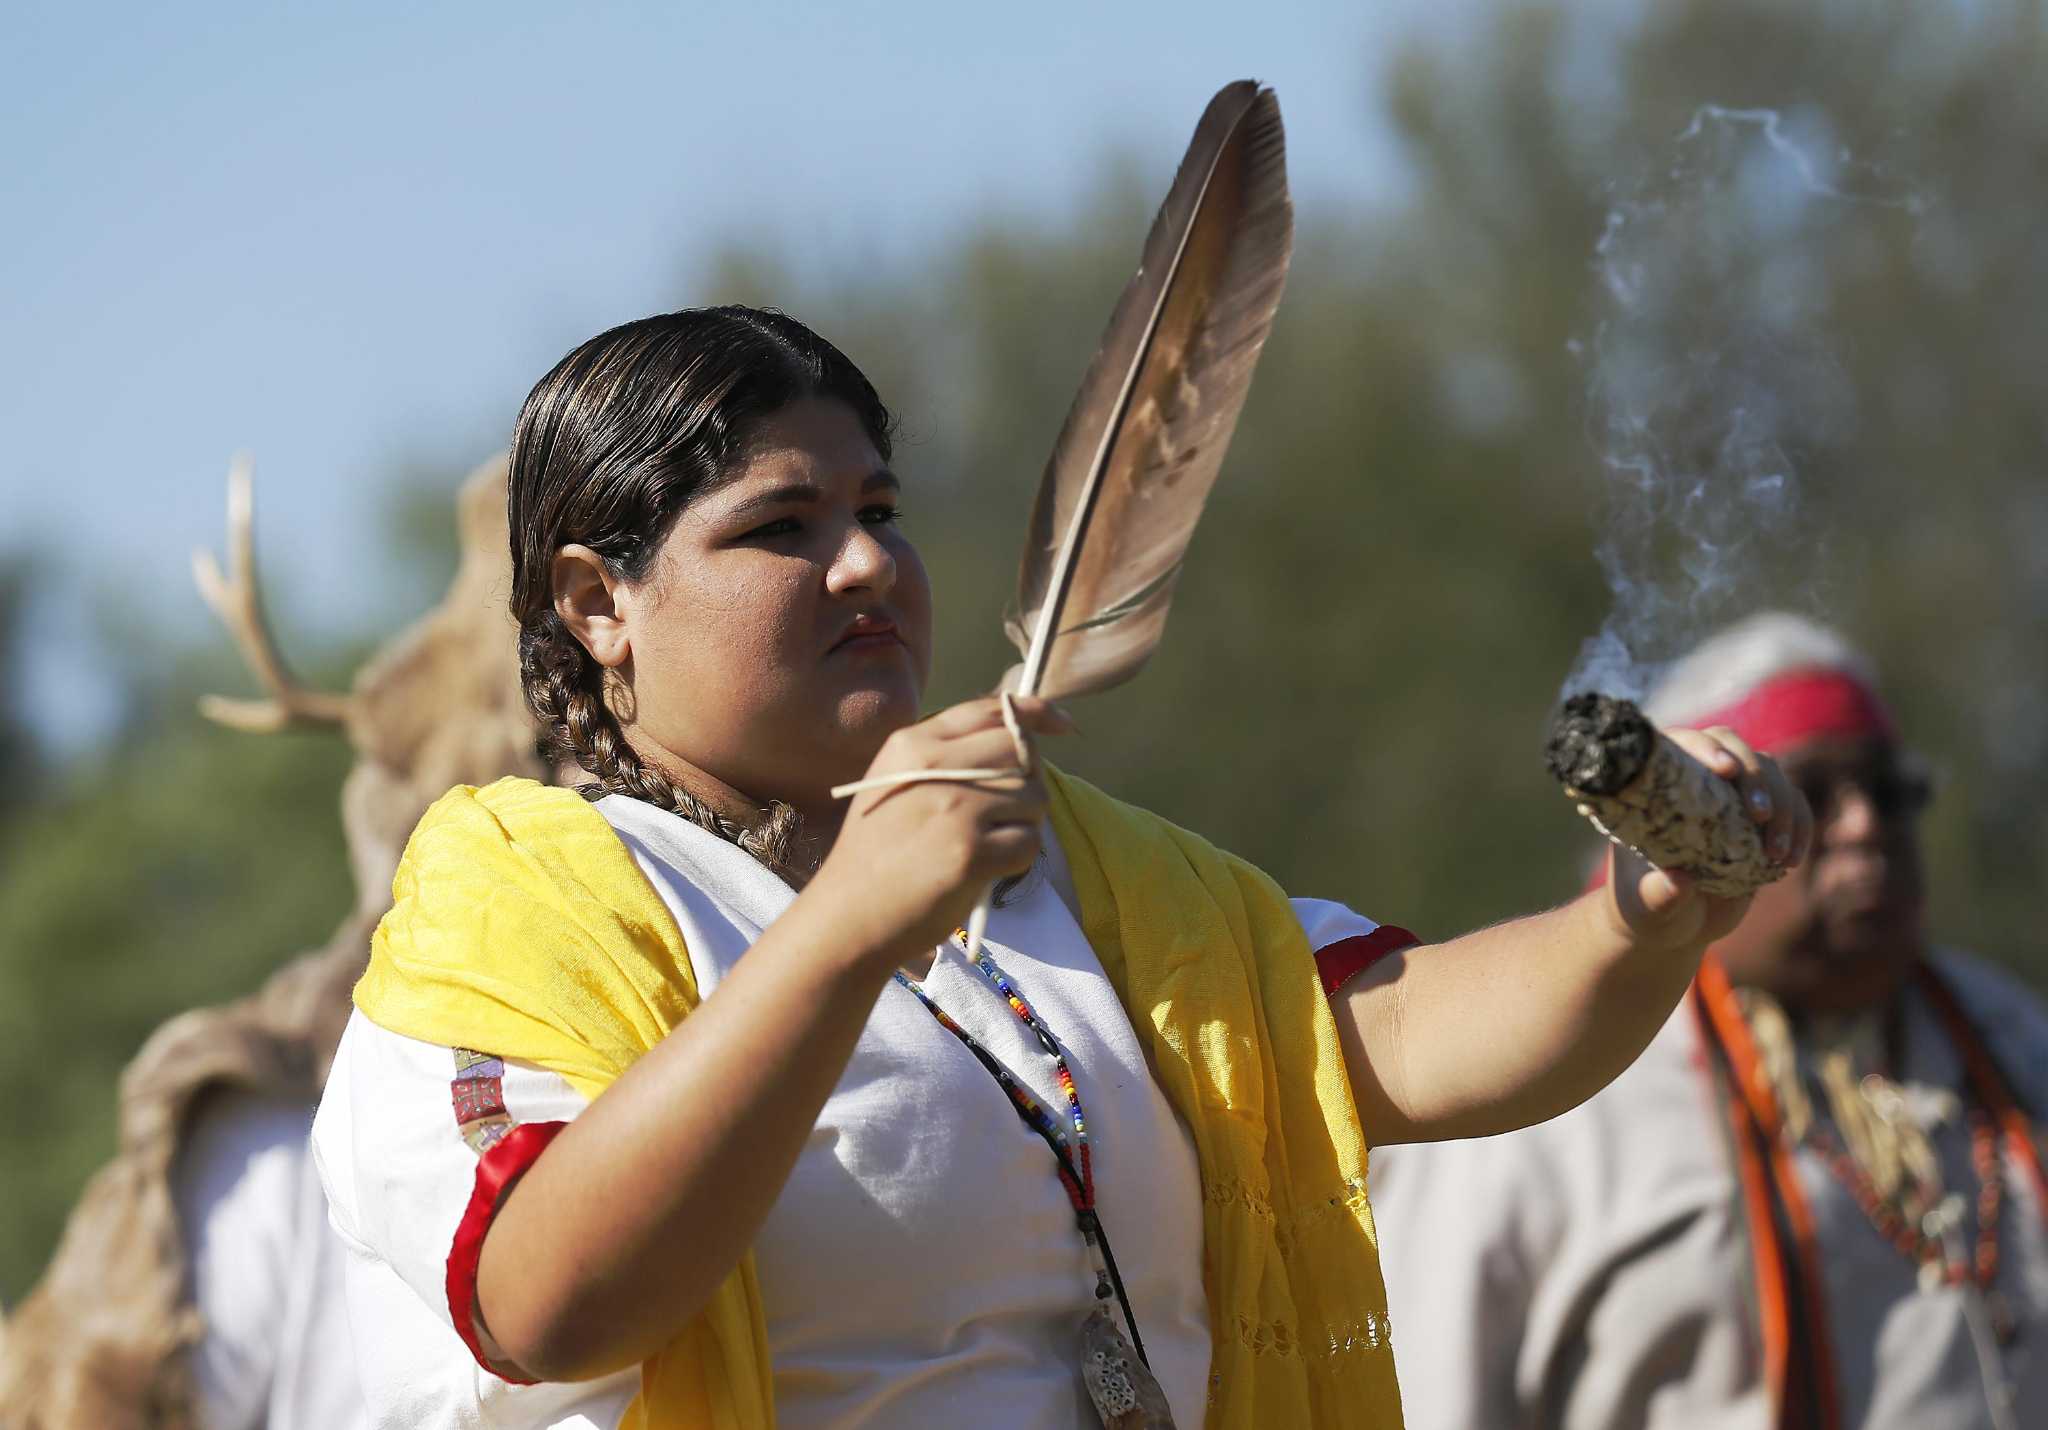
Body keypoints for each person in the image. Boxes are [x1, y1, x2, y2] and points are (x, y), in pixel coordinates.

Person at [308, 306, 1807, 1430]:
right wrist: (848, 927)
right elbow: (548, 1300)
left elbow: (1414, 1034)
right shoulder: (521, 896)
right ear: (597, 602)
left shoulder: (1072, 860)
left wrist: (1643, 914)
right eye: (783, 526)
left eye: (880, 512)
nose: (866, 563)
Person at [1369, 612, 2048, 1430]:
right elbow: (1421, 1397)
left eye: (1887, 791)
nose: (1864, 826)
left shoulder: (2011, 1037)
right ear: (1700, 841)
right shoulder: (1539, 1089)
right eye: (1814, 798)